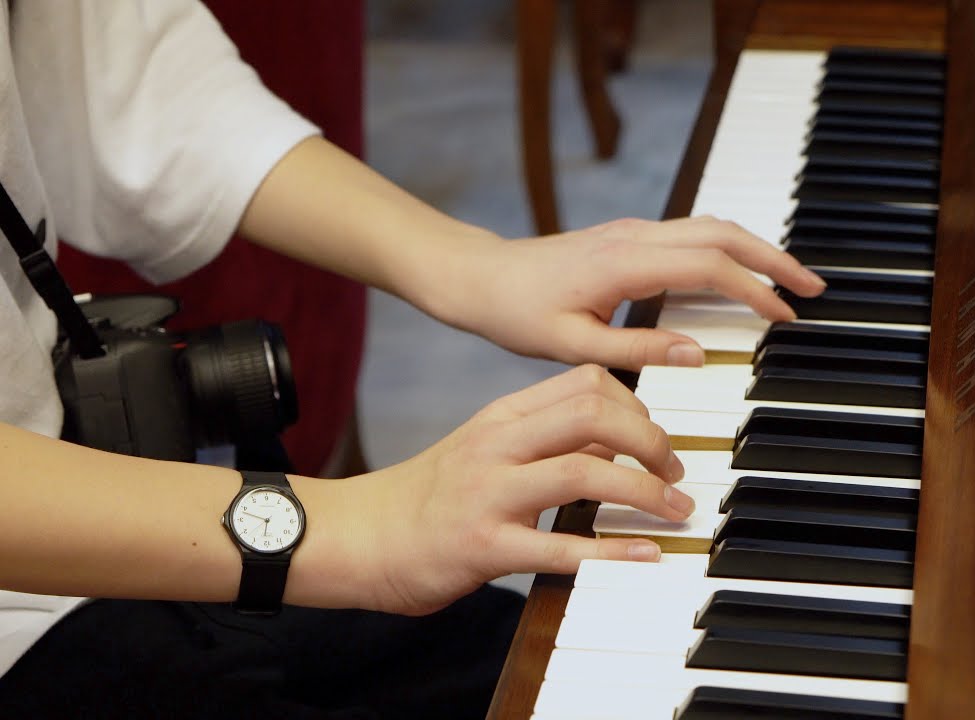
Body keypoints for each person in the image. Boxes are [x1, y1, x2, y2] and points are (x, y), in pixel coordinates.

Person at [0, 2, 825, 717]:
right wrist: (359, 526)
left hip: (83, 550)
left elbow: (121, 76)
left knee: (609, 651)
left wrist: (475, 266)